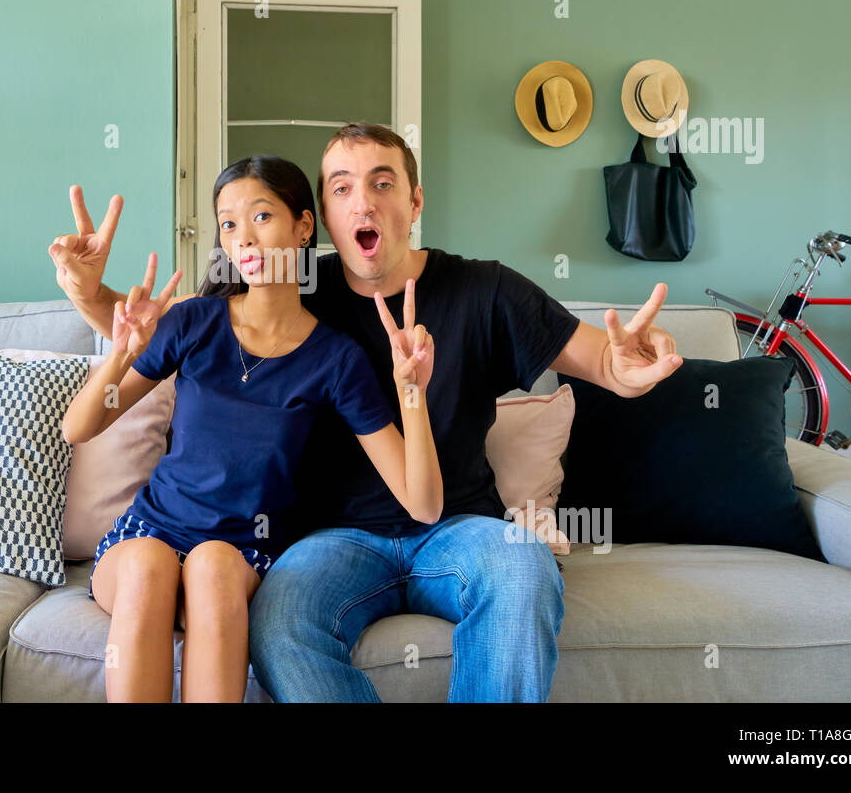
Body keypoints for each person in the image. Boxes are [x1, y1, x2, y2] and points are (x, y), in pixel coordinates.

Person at [50, 121, 683, 702]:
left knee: (522, 564)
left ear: (414, 202)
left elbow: (603, 360)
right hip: (331, 539)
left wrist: (624, 367)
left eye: (384, 183)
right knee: (279, 623)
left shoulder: (486, 291)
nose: (364, 201)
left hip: (458, 528)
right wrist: (87, 290)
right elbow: (179, 332)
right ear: (322, 214)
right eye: (343, 187)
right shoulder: (291, 284)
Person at [60, 154, 444, 702]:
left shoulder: (336, 359)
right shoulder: (194, 321)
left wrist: (411, 390)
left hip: (244, 552)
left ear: (303, 226)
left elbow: (424, 504)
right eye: (229, 223)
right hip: (147, 537)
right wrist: (124, 353)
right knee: (149, 561)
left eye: (262, 217)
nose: (245, 239)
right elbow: (78, 428)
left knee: (214, 563)